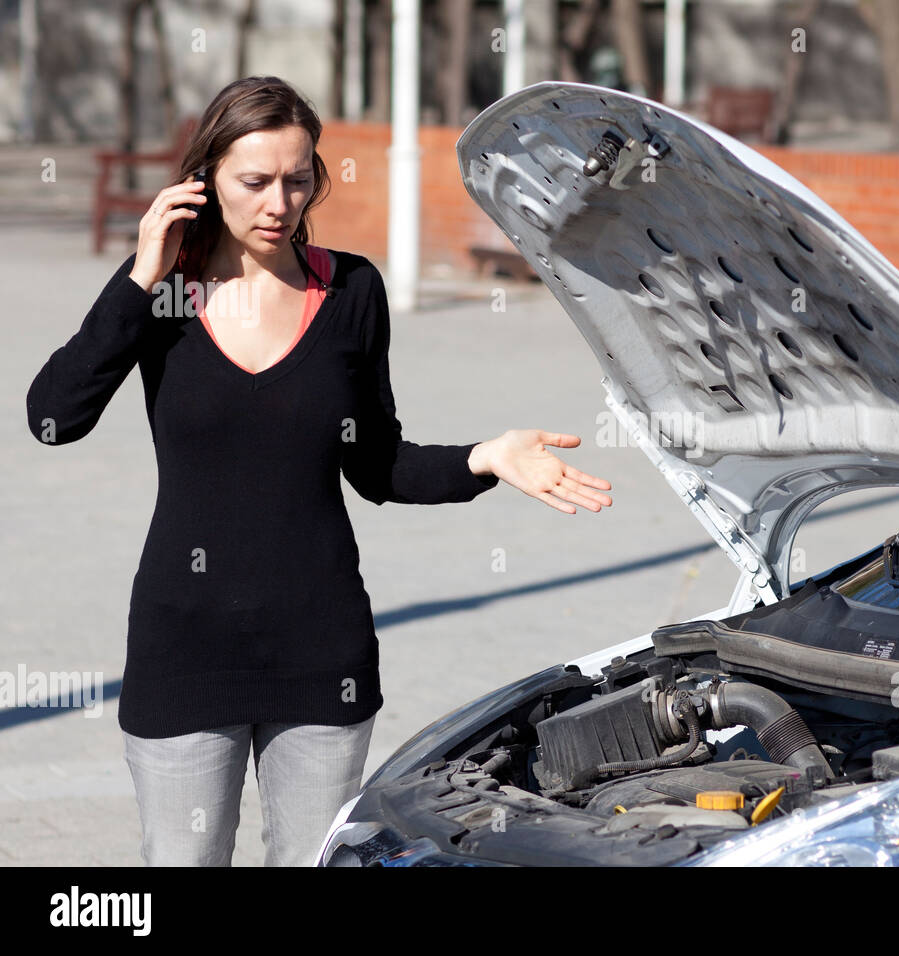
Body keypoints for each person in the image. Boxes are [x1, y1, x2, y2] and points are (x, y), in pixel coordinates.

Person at [25, 76, 613, 867]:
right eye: (255, 181)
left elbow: (377, 463)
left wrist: (487, 458)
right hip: (185, 651)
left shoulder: (352, 291)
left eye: (298, 179)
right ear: (203, 181)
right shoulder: (161, 297)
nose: (280, 202)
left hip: (320, 656)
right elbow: (53, 417)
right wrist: (139, 276)